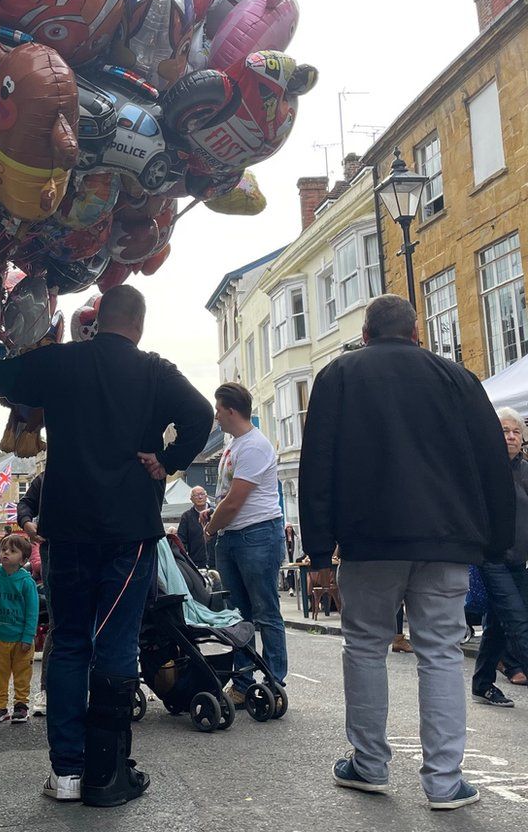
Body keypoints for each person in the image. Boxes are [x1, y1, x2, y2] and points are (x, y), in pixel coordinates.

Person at [0, 284, 212, 806]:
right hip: (129, 529)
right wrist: (167, 460)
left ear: (98, 319)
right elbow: (201, 415)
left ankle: (66, 772)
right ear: (139, 324)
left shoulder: (61, 362)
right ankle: (107, 775)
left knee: (69, 644)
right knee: (116, 647)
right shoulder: (155, 370)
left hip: (66, 529)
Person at [298, 294, 514, 812]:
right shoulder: (458, 379)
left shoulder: (339, 376)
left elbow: (317, 466)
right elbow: (491, 462)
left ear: (366, 334)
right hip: (445, 538)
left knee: (365, 645)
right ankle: (444, 782)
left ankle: (369, 764)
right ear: (417, 334)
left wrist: (319, 552)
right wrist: (495, 541)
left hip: (370, 538)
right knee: (439, 653)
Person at [205, 383, 287, 706]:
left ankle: (274, 684)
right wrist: (214, 518)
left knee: (265, 612)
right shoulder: (233, 445)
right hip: (233, 536)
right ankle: (242, 683)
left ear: (231, 410)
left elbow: (236, 501)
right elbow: (225, 497)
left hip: (257, 535)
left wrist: (211, 525)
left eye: (218, 409)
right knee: (238, 617)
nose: (216, 416)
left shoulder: (254, 446)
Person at [470, 407, 528, 708]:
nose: (511, 437)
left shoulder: (525, 470)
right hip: (492, 558)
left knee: (497, 623)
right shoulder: (484, 470)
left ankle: (482, 684)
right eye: (505, 431)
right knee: (519, 621)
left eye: (516, 432)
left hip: (518, 560)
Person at [0, 533, 40, 724]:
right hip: (0, 636)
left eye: (12, 551)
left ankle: (21, 706)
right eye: (3, 549)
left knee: (22, 674)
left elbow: (32, 611)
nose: (6, 553)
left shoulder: (26, 582)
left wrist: (28, 636)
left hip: (22, 639)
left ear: (23, 560)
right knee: (0, 673)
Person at [17, 472, 51, 716]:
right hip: (59, 554)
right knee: (60, 626)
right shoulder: (48, 476)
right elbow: (25, 504)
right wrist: (27, 522)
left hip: (99, 552)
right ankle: (47, 690)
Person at [177, 487, 213, 569]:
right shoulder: (186, 517)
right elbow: (181, 541)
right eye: (196, 495)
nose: (200, 497)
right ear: (191, 499)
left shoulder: (215, 512)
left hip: (217, 560)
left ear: (206, 496)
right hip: (196, 563)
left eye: (202, 494)